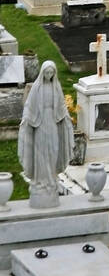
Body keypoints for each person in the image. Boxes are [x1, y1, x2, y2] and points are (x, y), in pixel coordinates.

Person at [17, 61, 74, 206]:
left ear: (54, 74)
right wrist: (27, 120)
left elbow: (61, 106)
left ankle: (52, 178)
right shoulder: (37, 88)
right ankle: (41, 180)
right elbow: (30, 106)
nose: (49, 75)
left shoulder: (56, 87)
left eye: (51, 73)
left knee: (53, 150)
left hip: (52, 123)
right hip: (40, 124)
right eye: (47, 73)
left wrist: (65, 118)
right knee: (41, 152)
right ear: (43, 73)